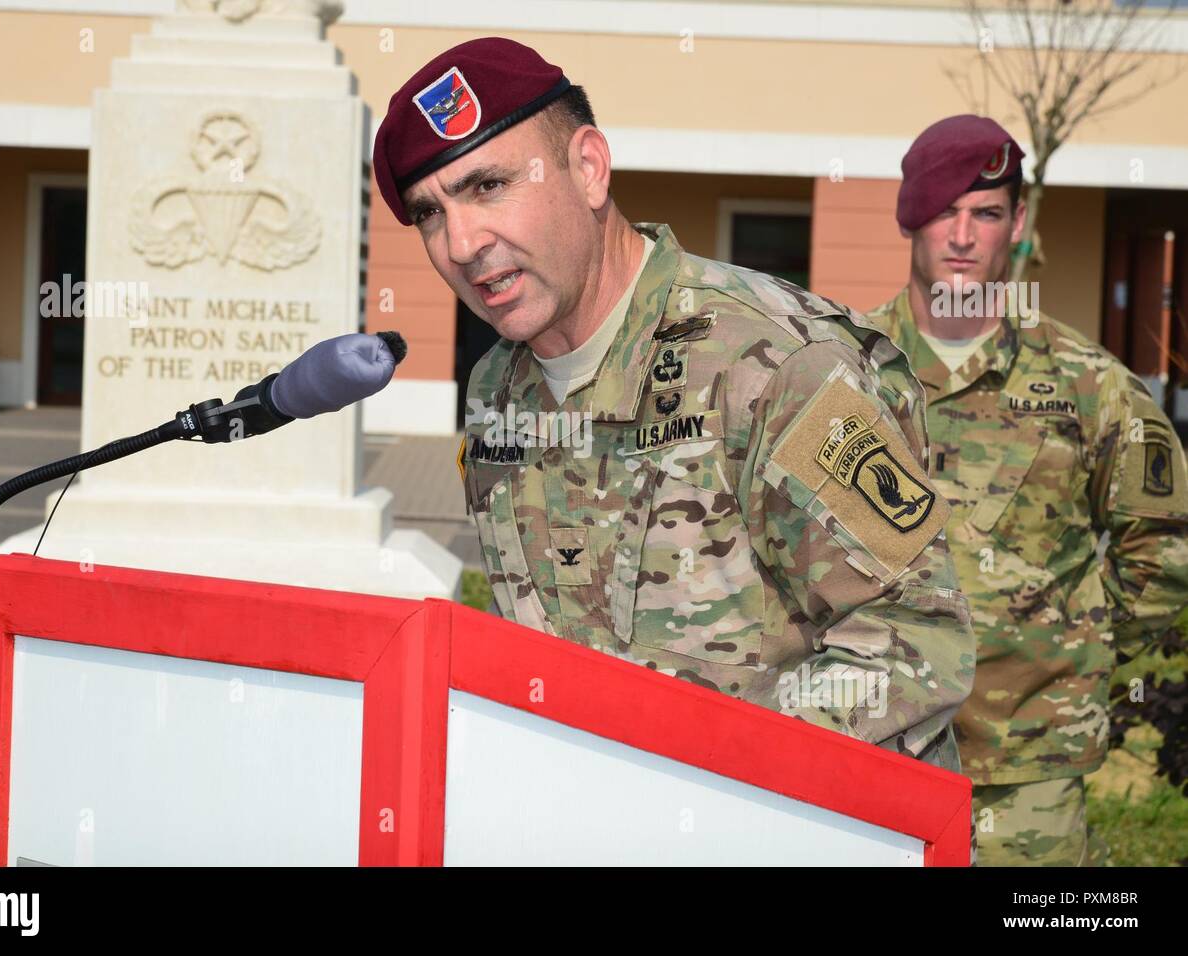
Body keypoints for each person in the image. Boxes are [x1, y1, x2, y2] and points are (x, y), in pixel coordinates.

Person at [373, 37, 976, 770]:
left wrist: (702, 775)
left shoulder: (771, 363)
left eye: (488, 186)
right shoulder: (498, 387)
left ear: (588, 168)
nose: (461, 242)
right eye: (430, 212)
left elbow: (917, 641)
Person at [865, 114, 1188, 864]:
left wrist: (1078, 651)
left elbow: (1164, 543)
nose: (963, 236)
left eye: (987, 213)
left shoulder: (1086, 381)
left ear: (1017, 225)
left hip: (1031, 770)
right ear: (911, 218)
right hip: (878, 744)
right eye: (946, 210)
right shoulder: (846, 366)